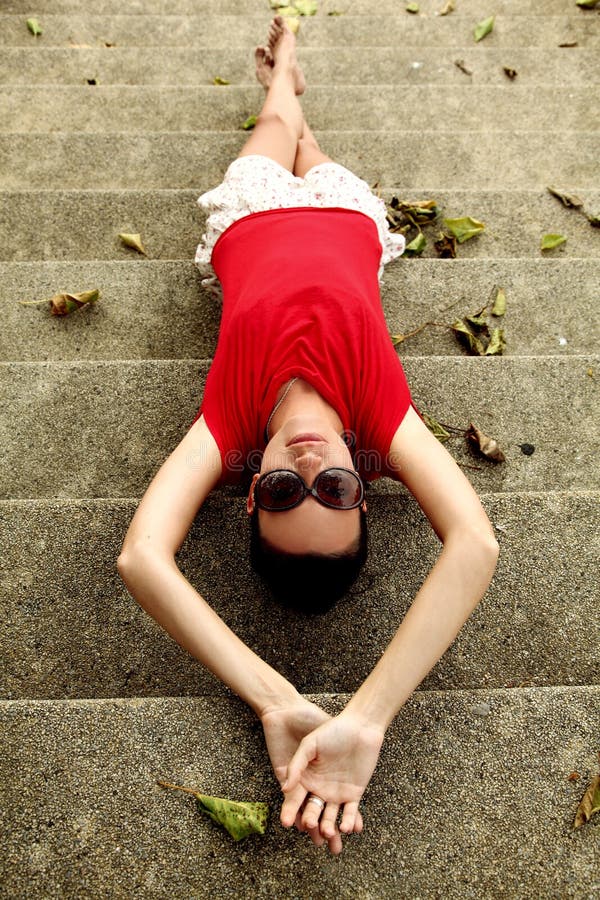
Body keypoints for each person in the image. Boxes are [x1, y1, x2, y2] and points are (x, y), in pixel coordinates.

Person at [117, 16, 499, 855]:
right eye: (335, 490)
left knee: (278, 126)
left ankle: (279, 78)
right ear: (365, 483)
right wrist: (365, 716)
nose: (311, 467)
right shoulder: (379, 418)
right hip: (346, 217)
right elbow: (474, 541)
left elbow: (141, 556)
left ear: (250, 490)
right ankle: (289, 80)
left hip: (252, 217)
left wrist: (274, 699)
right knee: (309, 137)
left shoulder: (227, 430)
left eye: (285, 493)